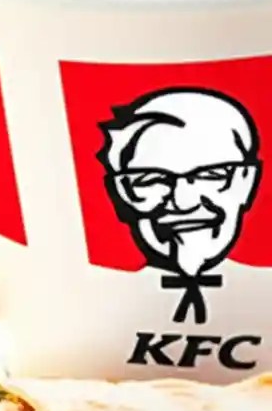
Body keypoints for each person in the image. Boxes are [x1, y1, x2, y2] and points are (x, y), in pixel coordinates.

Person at [98, 88, 263, 324]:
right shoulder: (92, 297)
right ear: (121, 192)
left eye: (211, 175)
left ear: (247, 182)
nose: (184, 202)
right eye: (150, 179)